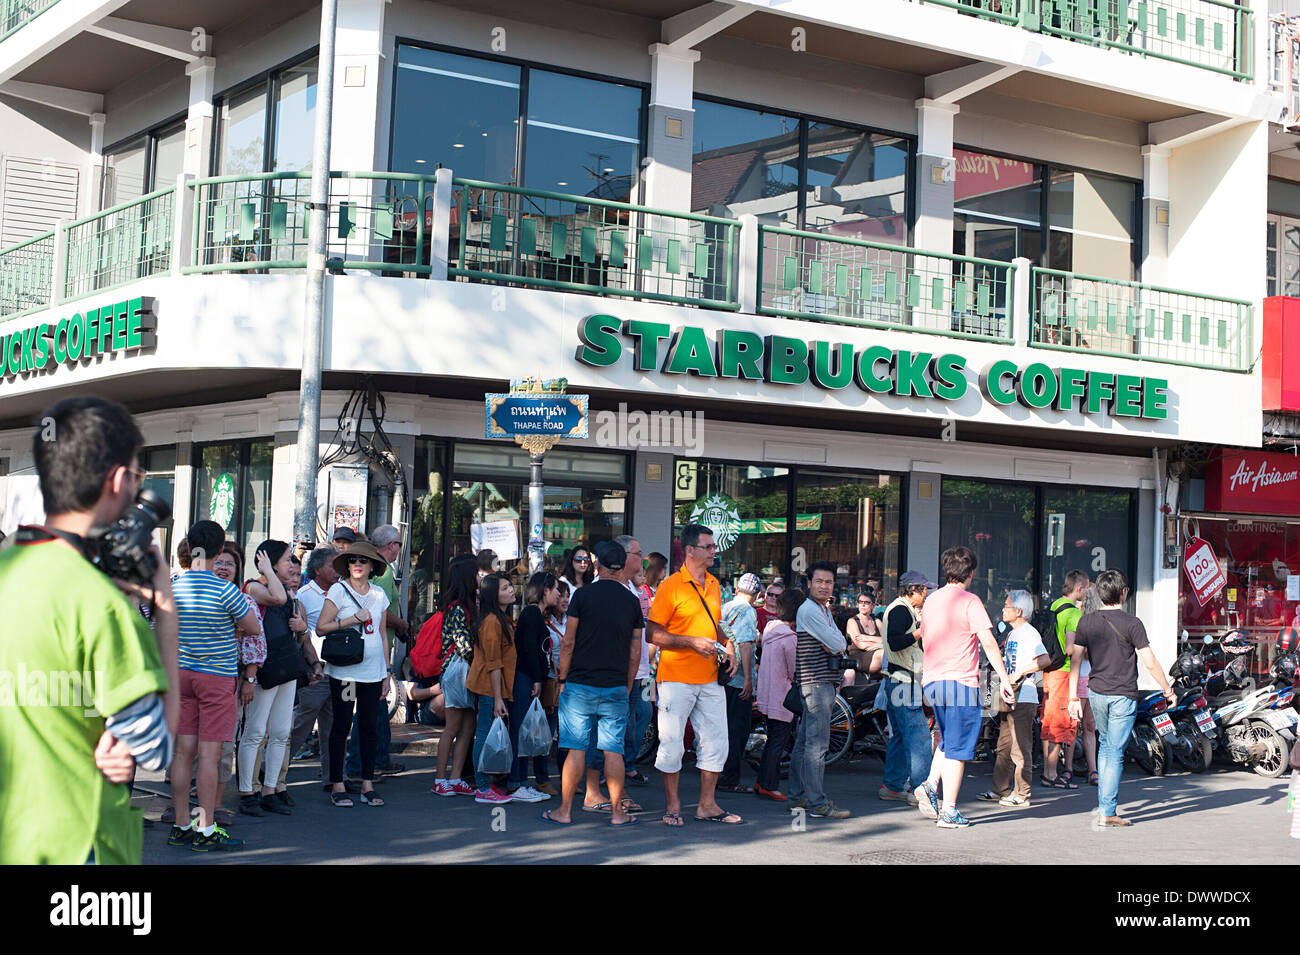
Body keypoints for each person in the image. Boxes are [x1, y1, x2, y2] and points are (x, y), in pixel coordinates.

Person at [0, 397, 177, 864]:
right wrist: (165, 608)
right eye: (137, 476)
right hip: (78, 846)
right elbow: (157, 746)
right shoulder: (99, 602)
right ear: (118, 481)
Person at [170, 519, 261, 850]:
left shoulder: (174, 586)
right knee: (209, 755)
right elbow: (253, 627)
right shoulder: (226, 590)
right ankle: (205, 828)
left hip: (181, 675)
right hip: (217, 677)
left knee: (183, 753)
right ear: (220, 550)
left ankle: (180, 823)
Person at [540, 541, 645, 827]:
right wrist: (625, 684)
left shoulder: (583, 596)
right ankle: (617, 812)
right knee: (614, 750)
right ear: (622, 566)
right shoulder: (632, 601)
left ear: (597, 564)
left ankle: (564, 811)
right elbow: (636, 651)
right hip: (614, 685)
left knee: (576, 748)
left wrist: (562, 678)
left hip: (579, 683)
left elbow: (569, 642)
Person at [915, 546, 1016, 830]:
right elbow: (988, 642)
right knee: (959, 748)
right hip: (960, 681)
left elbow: (924, 639)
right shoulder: (970, 601)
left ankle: (930, 785)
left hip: (933, 680)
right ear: (971, 574)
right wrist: (1005, 680)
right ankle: (949, 811)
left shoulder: (931, 601)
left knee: (948, 739)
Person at [646, 523, 740, 826]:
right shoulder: (670, 586)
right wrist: (690, 642)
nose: (715, 551)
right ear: (690, 550)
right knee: (672, 743)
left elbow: (717, 624)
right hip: (675, 677)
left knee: (716, 742)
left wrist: (730, 646)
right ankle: (673, 806)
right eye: (709, 546)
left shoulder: (713, 584)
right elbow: (652, 633)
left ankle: (707, 805)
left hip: (710, 676)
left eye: (714, 546)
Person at [1068, 569, 1176, 829]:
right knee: (1114, 752)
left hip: (1096, 693)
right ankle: (1107, 810)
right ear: (1124, 592)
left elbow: (1076, 659)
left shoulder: (1086, 622)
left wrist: (1073, 696)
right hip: (1123, 695)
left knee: (1106, 747)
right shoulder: (1132, 623)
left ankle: (1105, 805)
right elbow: (1149, 661)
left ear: (1099, 593)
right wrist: (1167, 689)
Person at [237, 540, 313, 817]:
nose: (292, 565)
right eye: (287, 560)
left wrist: (303, 627)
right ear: (267, 562)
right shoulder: (254, 586)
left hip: (287, 666)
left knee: (281, 732)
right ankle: (248, 791)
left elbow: (299, 633)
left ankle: (270, 789)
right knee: (255, 731)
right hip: (263, 668)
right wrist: (267, 570)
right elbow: (277, 599)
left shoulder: (289, 592)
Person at [315, 541, 392, 808]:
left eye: (362, 560)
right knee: (342, 724)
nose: (357, 564)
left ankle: (367, 784)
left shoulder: (380, 595)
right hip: (346, 672)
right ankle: (337, 783)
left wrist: (387, 672)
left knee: (369, 727)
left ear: (372, 566)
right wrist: (352, 620)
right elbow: (321, 628)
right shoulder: (338, 590)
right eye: (352, 560)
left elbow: (383, 636)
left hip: (373, 673)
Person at [788, 561, 851, 819]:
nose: (824, 586)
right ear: (809, 583)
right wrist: (834, 644)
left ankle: (798, 796)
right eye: (819, 582)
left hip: (818, 682)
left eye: (829, 582)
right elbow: (837, 642)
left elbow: (840, 643)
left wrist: (835, 644)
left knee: (805, 743)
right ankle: (816, 803)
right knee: (817, 745)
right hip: (816, 683)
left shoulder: (822, 610)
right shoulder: (810, 610)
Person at [344, 524, 408, 781]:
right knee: (370, 708)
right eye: (399, 545)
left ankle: (377, 759)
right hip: (371, 650)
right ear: (392, 545)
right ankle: (360, 764)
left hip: (377, 647)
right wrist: (402, 624)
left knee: (377, 708)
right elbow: (378, 610)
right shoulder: (380, 571)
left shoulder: (381, 569)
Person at [978, 591, 1049, 809]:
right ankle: (1000, 788)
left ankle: (1022, 793)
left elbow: (1044, 659)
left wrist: (1019, 673)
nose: (1003, 609)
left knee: (1021, 746)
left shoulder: (1030, 634)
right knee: (1004, 745)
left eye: (1007, 606)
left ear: (1018, 611)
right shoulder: (1013, 634)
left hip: (1023, 695)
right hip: (1009, 693)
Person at [878, 571, 932, 806]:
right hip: (904, 681)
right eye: (924, 589)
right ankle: (920, 790)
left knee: (900, 736)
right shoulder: (900, 609)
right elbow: (896, 640)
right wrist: (921, 631)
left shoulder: (899, 608)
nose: (927, 594)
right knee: (919, 738)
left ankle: (892, 786)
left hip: (897, 678)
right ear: (913, 590)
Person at [467, 573, 519, 804]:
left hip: (496, 688)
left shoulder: (502, 619)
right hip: (489, 688)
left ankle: (487, 784)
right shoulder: (491, 622)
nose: (511, 590)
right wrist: (498, 698)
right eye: (505, 588)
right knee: (484, 735)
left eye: (510, 586)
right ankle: (483, 787)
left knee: (487, 734)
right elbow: (493, 663)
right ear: (492, 595)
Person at [291, 546, 340, 790]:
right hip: (316, 670)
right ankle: (270, 773)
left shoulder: (343, 591)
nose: (338, 571)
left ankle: (332, 778)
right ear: (318, 569)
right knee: (302, 726)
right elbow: (302, 636)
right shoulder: (304, 595)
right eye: (333, 565)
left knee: (335, 728)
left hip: (340, 670)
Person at [432, 557, 480, 797]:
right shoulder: (459, 608)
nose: (479, 578)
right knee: (453, 727)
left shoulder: (462, 606)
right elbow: (463, 644)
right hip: (458, 671)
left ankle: (455, 777)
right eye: (476, 574)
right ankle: (440, 778)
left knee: (467, 727)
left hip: (462, 671)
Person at [754, 589, 803, 801]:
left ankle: (762, 781)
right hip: (783, 698)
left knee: (772, 740)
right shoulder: (790, 638)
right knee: (777, 743)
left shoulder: (771, 630)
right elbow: (794, 670)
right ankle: (768, 785)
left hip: (767, 694)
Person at [512, 572, 557, 800]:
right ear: (545, 590)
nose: (558, 594)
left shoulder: (537, 615)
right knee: (521, 728)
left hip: (529, 677)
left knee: (525, 729)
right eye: (556, 589)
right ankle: (517, 782)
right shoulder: (531, 613)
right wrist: (537, 679)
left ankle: (521, 781)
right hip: (525, 678)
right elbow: (529, 649)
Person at [1043, 570, 1089, 790]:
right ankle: (1051, 775)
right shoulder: (1074, 615)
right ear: (1079, 588)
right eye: (1086, 588)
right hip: (1064, 671)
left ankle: (1047, 771)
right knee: (1060, 725)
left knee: (1048, 722)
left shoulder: (1054, 606)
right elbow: (1071, 649)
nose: (1087, 592)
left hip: (1049, 670)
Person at [718, 572, 760, 793]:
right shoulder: (748, 611)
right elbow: (744, 645)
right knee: (737, 730)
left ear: (736, 590)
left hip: (722, 676)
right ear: (757, 594)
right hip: (737, 680)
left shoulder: (726, 607)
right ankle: (729, 779)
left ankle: (718, 774)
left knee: (722, 728)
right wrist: (749, 680)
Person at [624, 556, 655, 786]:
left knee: (642, 714)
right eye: (639, 574)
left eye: (644, 574)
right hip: (627, 670)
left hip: (644, 669)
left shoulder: (644, 594)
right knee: (625, 720)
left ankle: (628, 764)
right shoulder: (623, 593)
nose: (642, 576)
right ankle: (617, 768)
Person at [1074, 584, 1102, 785]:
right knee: (1085, 727)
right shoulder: (1090, 622)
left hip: (1086, 678)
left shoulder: (1086, 621)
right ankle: (1090, 770)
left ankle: (1088, 769)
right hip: (1089, 678)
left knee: (1082, 726)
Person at [846, 592, 883, 683]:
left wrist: (867, 638)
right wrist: (881, 644)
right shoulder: (852, 621)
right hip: (859, 657)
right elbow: (861, 645)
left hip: (875, 656)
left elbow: (887, 640)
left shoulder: (877, 621)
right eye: (860, 602)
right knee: (886, 653)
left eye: (866, 602)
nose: (863, 604)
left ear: (873, 606)